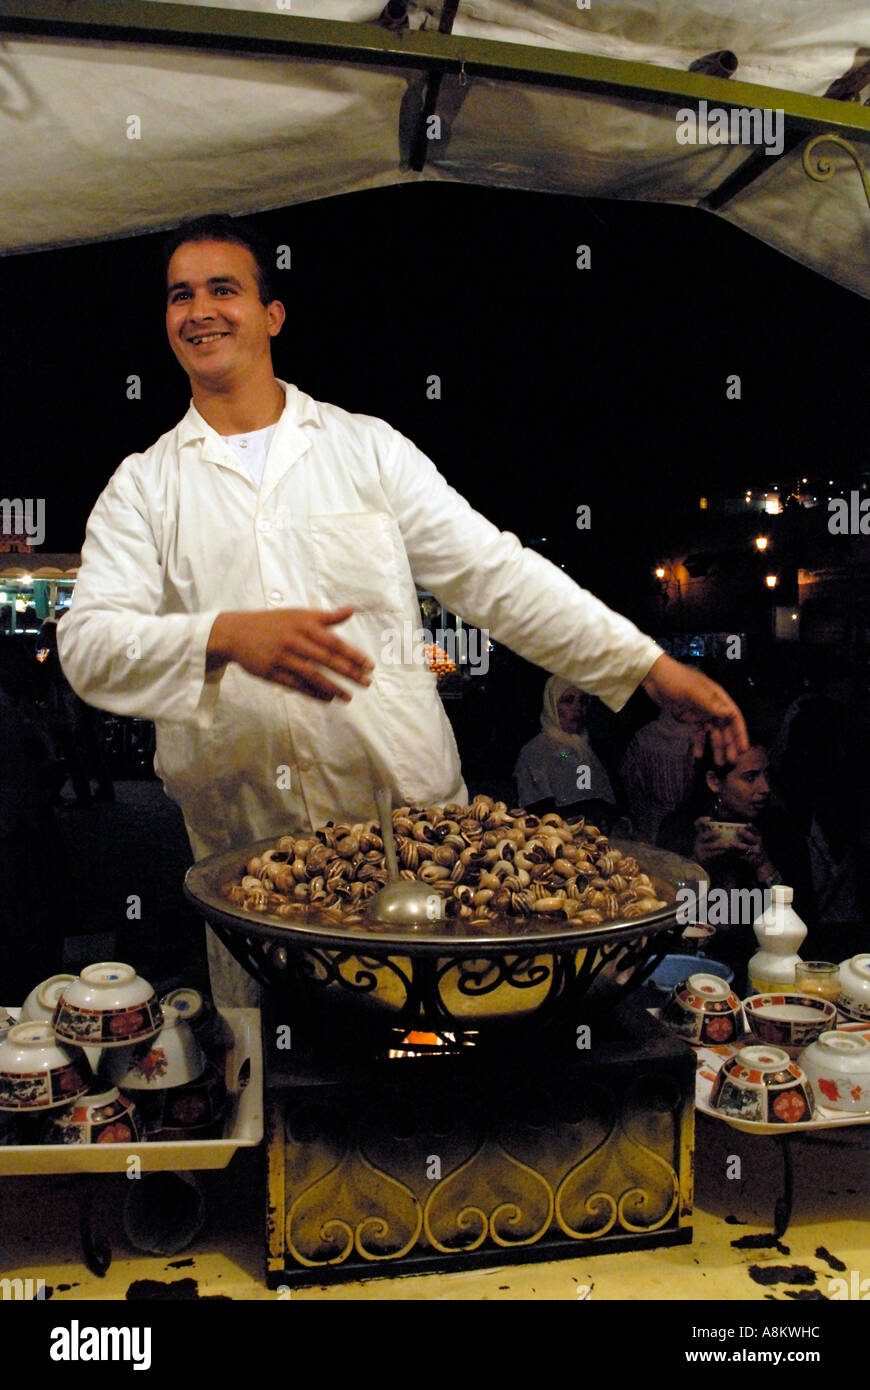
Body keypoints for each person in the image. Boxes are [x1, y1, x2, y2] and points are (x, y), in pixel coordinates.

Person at [58, 214, 748, 1003]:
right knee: (284, 1078)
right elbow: (88, 645)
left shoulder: (367, 450)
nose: (200, 310)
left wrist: (645, 666)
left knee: (435, 1040)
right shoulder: (145, 487)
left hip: (416, 845)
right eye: (181, 295)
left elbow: (493, 574)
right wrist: (222, 636)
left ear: (272, 315)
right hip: (251, 863)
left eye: (225, 289)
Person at [658, 741, 813, 988]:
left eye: (767, 775)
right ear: (714, 781)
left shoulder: (781, 831)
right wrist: (693, 863)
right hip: (687, 973)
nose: (765, 788)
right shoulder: (681, 828)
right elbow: (658, 915)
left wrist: (764, 866)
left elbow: (806, 922)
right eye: (750, 778)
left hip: (758, 974)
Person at [514, 678, 615, 811]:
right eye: (568, 700)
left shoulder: (588, 746)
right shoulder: (537, 749)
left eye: (583, 701)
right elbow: (539, 807)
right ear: (552, 705)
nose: (577, 708)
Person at [618, 706, 696, 844]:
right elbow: (631, 788)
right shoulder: (647, 738)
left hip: (692, 828)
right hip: (651, 831)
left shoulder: (706, 735)